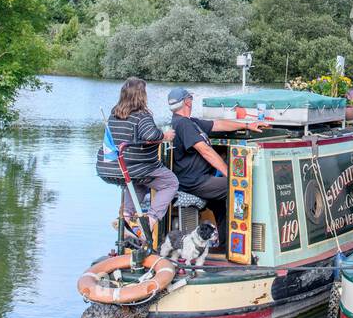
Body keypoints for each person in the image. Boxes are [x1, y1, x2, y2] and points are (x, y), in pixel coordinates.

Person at [167, 88, 258, 241]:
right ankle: (242, 242)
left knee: (220, 204)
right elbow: (205, 151)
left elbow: (218, 124)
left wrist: (247, 125)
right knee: (239, 186)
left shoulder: (191, 122)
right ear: (188, 101)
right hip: (194, 182)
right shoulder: (183, 124)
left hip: (199, 179)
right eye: (191, 99)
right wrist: (230, 174)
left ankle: (225, 242)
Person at [96, 77, 178, 234]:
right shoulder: (141, 115)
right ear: (142, 95)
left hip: (108, 167)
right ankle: (150, 219)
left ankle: (125, 217)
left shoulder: (114, 114)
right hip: (133, 168)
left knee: (138, 183)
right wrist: (165, 135)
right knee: (171, 182)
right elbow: (150, 134)